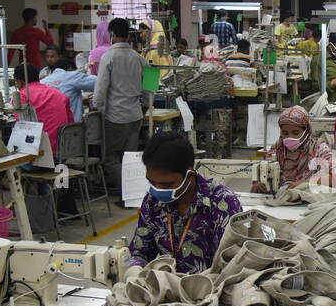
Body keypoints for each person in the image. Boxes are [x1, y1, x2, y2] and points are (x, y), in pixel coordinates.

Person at [128, 132, 242, 274]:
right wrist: (134, 270)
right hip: (166, 286)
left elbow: (231, 264)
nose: (158, 190)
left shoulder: (223, 203)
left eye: (167, 184)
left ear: (189, 174)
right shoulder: (151, 202)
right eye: (152, 182)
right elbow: (141, 251)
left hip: (211, 288)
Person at [92, 18, 144, 189]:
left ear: (112, 34)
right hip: (135, 115)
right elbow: (151, 87)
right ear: (128, 34)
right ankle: (134, 194)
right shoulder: (139, 58)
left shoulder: (109, 57)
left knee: (110, 158)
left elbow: (100, 89)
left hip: (115, 117)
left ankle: (125, 193)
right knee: (131, 157)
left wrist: (96, 106)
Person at [252, 105, 336, 193]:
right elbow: (263, 174)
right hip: (281, 198)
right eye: (285, 133)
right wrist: (261, 185)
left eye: (295, 133)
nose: (289, 137)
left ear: (306, 131)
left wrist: (303, 184)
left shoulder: (318, 147)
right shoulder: (278, 148)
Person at [14, 63, 73, 152]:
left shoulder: (22, 95)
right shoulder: (56, 92)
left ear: (20, 82)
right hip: (65, 146)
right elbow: (70, 120)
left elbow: (22, 125)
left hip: (43, 151)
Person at [41, 57, 97, 122]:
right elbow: (98, 82)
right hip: (71, 126)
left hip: (50, 125)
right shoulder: (71, 75)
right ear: (70, 68)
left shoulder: (43, 81)